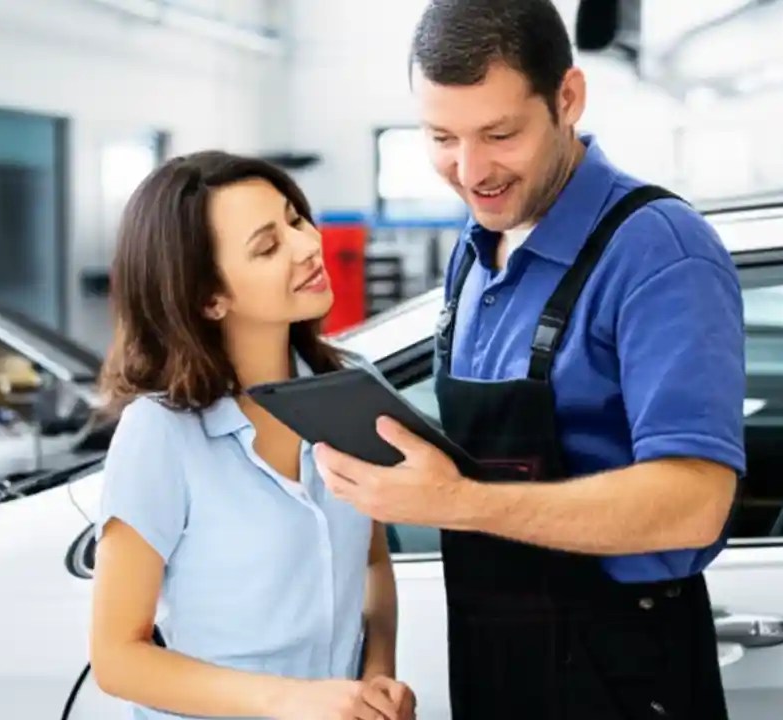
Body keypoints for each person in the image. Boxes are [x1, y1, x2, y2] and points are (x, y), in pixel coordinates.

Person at [313, 1, 747, 718]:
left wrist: (458, 503)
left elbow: (694, 505)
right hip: (497, 663)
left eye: (500, 133)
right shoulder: (477, 245)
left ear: (568, 99)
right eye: (441, 137)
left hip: (623, 680)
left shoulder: (659, 250)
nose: (470, 169)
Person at [89, 151, 416, 720]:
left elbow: (371, 563)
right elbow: (118, 658)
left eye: (295, 220)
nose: (307, 244)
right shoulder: (162, 433)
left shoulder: (351, 390)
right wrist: (292, 701)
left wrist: (376, 679)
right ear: (208, 298)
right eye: (267, 246)